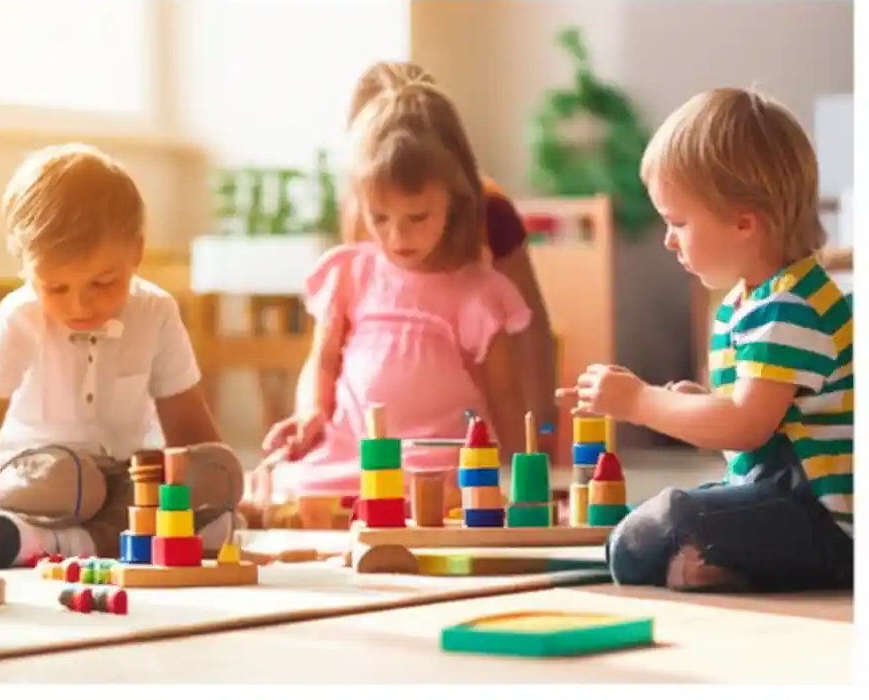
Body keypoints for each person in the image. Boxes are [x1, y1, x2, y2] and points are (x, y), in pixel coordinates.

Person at [557, 88, 853, 591]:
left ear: (743, 222)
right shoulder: (756, 300)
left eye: (679, 222)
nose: (669, 239)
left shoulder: (789, 308)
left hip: (824, 521)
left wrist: (640, 402)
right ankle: (719, 564)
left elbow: (745, 426)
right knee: (655, 523)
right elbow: (763, 420)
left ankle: (746, 563)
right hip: (784, 499)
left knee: (662, 524)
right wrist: (700, 405)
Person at [0, 143, 243, 568]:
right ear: (25, 266)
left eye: (103, 283)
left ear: (136, 252)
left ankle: (57, 542)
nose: (80, 306)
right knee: (76, 482)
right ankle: (66, 533)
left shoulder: (156, 311)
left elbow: (188, 423)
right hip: (38, 478)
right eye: (56, 288)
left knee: (221, 469)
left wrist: (215, 489)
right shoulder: (20, 315)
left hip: (125, 479)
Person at [254, 80, 532, 507]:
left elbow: (505, 393)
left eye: (417, 217)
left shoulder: (477, 292)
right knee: (286, 489)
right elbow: (323, 358)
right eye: (380, 217)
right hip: (352, 453)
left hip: (439, 459)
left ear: (454, 200)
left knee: (452, 498)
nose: (397, 237)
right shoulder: (351, 271)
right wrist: (311, 410)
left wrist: (521, 476)